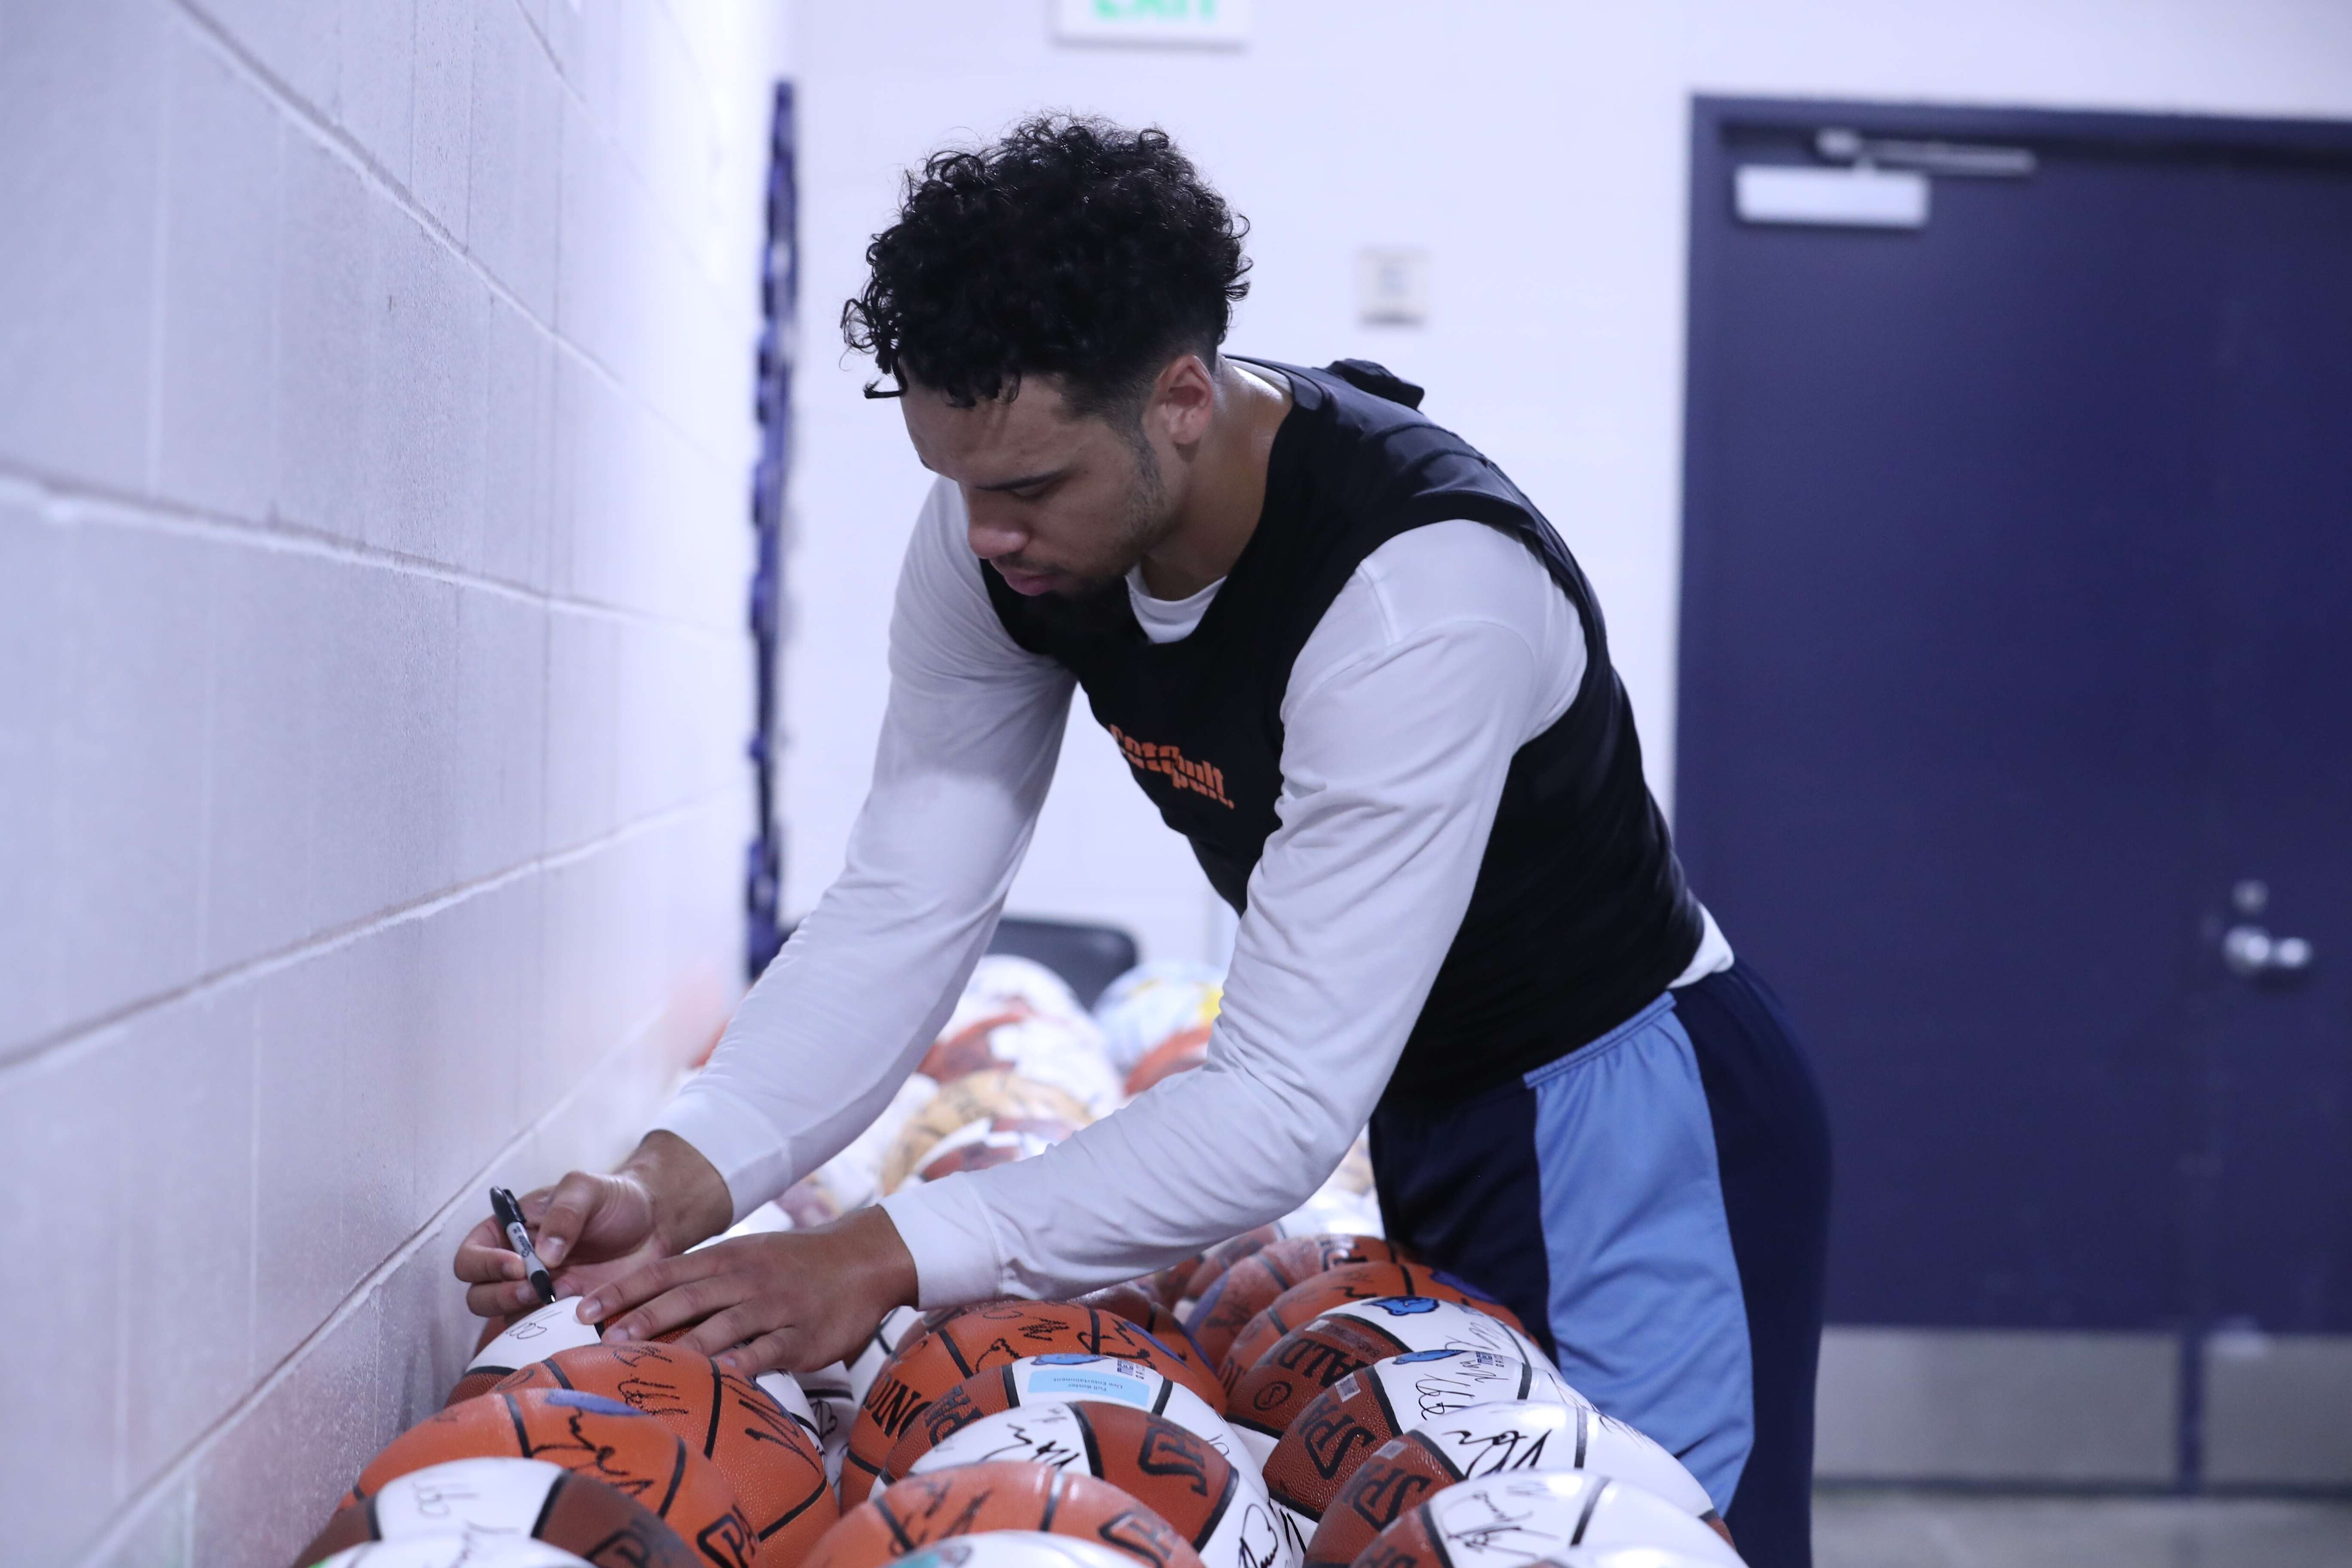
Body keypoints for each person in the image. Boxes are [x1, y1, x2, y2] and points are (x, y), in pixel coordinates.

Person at [454, 116, 1831, 1567]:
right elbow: (904, 904)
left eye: (1033, 487)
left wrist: (877, 1254)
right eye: (958, 481)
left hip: (1629, 1114)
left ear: (1182, 396)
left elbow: (1282, 1094)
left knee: (1642, 1547)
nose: (987, 533)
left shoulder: (1416, 592)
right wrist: (685, 1173)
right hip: (1428, 1101)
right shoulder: (1002, 542)